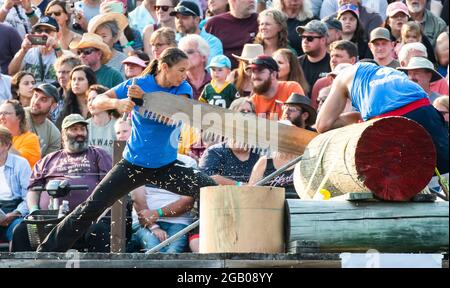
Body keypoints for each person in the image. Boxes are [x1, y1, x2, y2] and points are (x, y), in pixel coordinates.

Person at [36, 47, 217, 252]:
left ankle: (214, 246)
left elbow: (171, 116)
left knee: (210, 190)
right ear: (164, 67)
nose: (185, 75)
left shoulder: (183, 87)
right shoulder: (139, 83)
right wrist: (117, 102)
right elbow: (96, 101)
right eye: (181, 70)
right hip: (133, 165)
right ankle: (46, 252)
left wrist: (142, 100)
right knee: (92, 207)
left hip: (166, 166)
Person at [315, 62, 449, 175]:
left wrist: (354, 117)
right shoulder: (386, 71)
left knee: (402, 179)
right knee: (445, 169)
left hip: (390, 118)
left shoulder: (342, 78)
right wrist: (358, 115)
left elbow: (322, 125)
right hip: (423, 107)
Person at [10, 113, 113, 252]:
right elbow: (34, 189)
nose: (80, 133)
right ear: (64, 134)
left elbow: (109, 187)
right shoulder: (48, 160)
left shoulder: (99, 154)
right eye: (74, 129)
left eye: (82, 129)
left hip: (88, 218)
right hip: (50, 220)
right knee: (20, 231)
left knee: (99, 230)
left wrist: (101, 212)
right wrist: (34, 210)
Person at [199, 97, 260, 185]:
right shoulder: (215, 152)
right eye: (242, 111)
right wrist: (238, 184)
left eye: (249, 112)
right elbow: (204, 177)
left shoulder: (260, 154)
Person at [0, 126, 31, 247]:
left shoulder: (21, 164)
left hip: (15, 210)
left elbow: (28, 196)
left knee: (20, 230)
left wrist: (15, 213)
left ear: (7, 145)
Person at [204, 0, 258, 69]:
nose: (252, 1)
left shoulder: (260, 22)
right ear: (233, 1)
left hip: (253, 72)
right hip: (222, 74)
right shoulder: (215, 23)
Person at [8, 16, 61, 84]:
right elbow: (11, 72)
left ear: (58, 35)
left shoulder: (64, 54)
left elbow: (68, 74)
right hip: (31, 92)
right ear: (34, 34)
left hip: (54, 93)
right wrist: (23, 50)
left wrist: (57, 47)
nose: (43, 34)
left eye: (48, 31)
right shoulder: (27, 53)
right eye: (39, 31)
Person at [249, 55, 305, 119]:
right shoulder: (253, 101)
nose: (255, 76)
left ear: (273, 74)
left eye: (260, 71)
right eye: (253, 72)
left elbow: (299, 122)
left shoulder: (291, 89)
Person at [311, 40, 357, 108]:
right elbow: (315, 112)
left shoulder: (359, 82)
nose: (333, 60)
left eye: (338, 56)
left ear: (353, 60)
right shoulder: (320, 83)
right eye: (331, 56)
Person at [87, 7, 129, 76]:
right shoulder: (87, 58)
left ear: (114, 38)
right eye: (97, 36)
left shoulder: (122, 60)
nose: (100, 40)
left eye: (104, 36)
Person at [0, 100, 40, 168]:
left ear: (19, 117)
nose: (1, 117)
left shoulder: (31, 139)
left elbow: (20, 162)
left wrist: (4, 138)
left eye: (6, 113)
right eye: (0, 113)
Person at [25, 83, 61, 157]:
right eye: (35, 96)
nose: (36, 102)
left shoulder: (54, 134)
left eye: (43, 99)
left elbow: (47, 164)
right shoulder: (18, 115)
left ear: (53, 106)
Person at [297, 20, 331, 97]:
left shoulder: (333, 62)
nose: (305, 41)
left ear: (323, 40)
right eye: (303, 37)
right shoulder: (296, 63)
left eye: (309, 38)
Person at [56, 65, 97, 129]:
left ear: (90, 82)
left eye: (80, 79)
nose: (76, 83)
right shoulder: (67, 108)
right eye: (73, 79)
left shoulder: (99, 104)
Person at [86, 84, 118, 156]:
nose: (90, 103)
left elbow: (119, 157)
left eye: (94, 99)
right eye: (89, 100)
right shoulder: (84, 126)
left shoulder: (117, 126)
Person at [178, 34, 211, 100]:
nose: (184, 56)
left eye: (190, 52)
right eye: (182, 53)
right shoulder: (176, 82)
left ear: (203, 57)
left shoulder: (214, 81)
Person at [51, 55, 82, 124]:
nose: (61, 76)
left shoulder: (81, 97)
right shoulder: (53, 95)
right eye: (59, 72)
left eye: (66, 72)